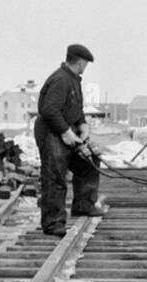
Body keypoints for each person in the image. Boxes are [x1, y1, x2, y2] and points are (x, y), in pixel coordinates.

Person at [33, 44, 104, 236]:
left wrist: (81, 125)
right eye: (85, 64)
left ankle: (84, 204)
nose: (85, 68)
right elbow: (49, 110)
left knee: (88, 163)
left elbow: (74, 109)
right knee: (55, 176)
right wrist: (66, 132)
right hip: (51, 133)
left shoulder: (73, 80)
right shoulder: (60, 80)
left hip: (67, 130)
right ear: (80, 62)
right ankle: (53, 223)